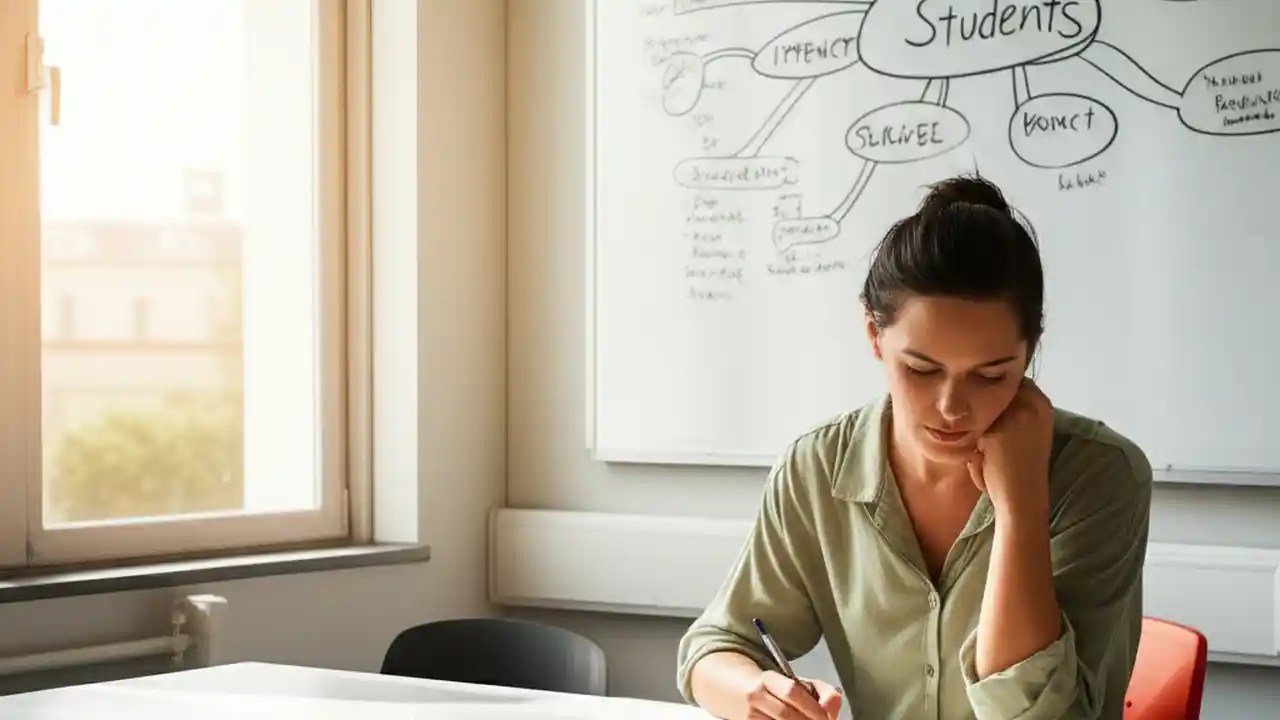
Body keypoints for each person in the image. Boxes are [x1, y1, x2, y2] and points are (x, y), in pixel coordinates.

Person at [675, 174, 1153, 720]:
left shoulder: (1102, 475)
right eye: (921, 369)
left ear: (1030, 352)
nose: (952, 407)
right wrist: (754, 692)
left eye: (992, 375)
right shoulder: (817, 468)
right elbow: (714, 647)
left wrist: (1020, 505)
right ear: (874, 336)